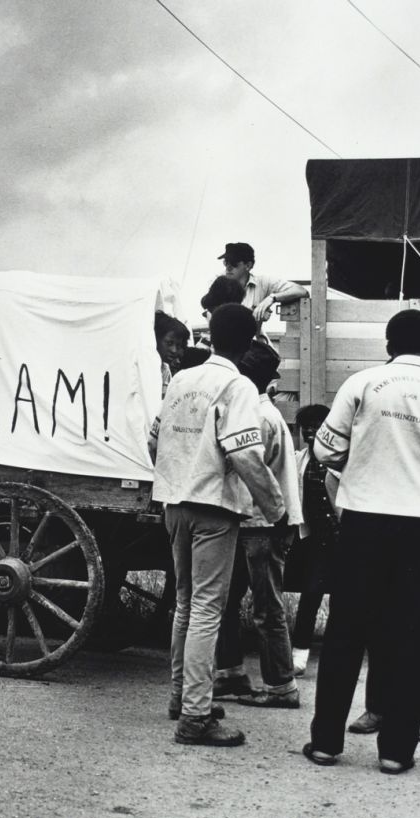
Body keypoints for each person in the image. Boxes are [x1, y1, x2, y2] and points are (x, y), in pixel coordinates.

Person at [303, 309, 420, 775]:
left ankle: (327, 743)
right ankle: (396, 752)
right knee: (412, 637)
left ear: (388, 344)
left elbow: (326, 450)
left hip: (366, 520)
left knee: (346, 632)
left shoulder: (363, 384)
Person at [149, 303, 285, 747]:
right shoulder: (237, 385)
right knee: (208, 608)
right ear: (247, 345)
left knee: (186, 604)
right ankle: (195, 715)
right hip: (213, 508)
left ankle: (182, 696)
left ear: (209, 336)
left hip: (175, 502)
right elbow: (245, 454)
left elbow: (154, 438)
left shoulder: (181, 380)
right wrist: (276, 507)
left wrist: (178, 472)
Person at [213, 341, 303, 708]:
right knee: (230, 601)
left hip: (260, 524)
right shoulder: (265, 412)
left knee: (266, 608)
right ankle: (231, 673)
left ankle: (281, 686)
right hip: (256, 523)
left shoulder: (257, 417)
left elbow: (251, 470)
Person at [286, 404, 339, 676]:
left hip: (342, 540)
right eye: (305, 427)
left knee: (345, 599)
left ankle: (337, 653)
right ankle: (300, 654)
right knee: (311, 593)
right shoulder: (299, 460)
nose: (310, 431)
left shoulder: (342, 462)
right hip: (314, 539)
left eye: (316, 426)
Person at [217, 242, 308, 322]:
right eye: (226, 262)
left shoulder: (262, 282)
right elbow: (213, 318)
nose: (228, 267)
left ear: (248, 265)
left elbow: (302, 291)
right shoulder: (217, 283)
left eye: (233, 263)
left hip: (251, 339)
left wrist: (272, 298)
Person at [154, 311, 189, 397]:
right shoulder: (142, 367)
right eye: (169, 343)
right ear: (156, 340)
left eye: (178, 345)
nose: (174, 350)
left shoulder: (165, 370)